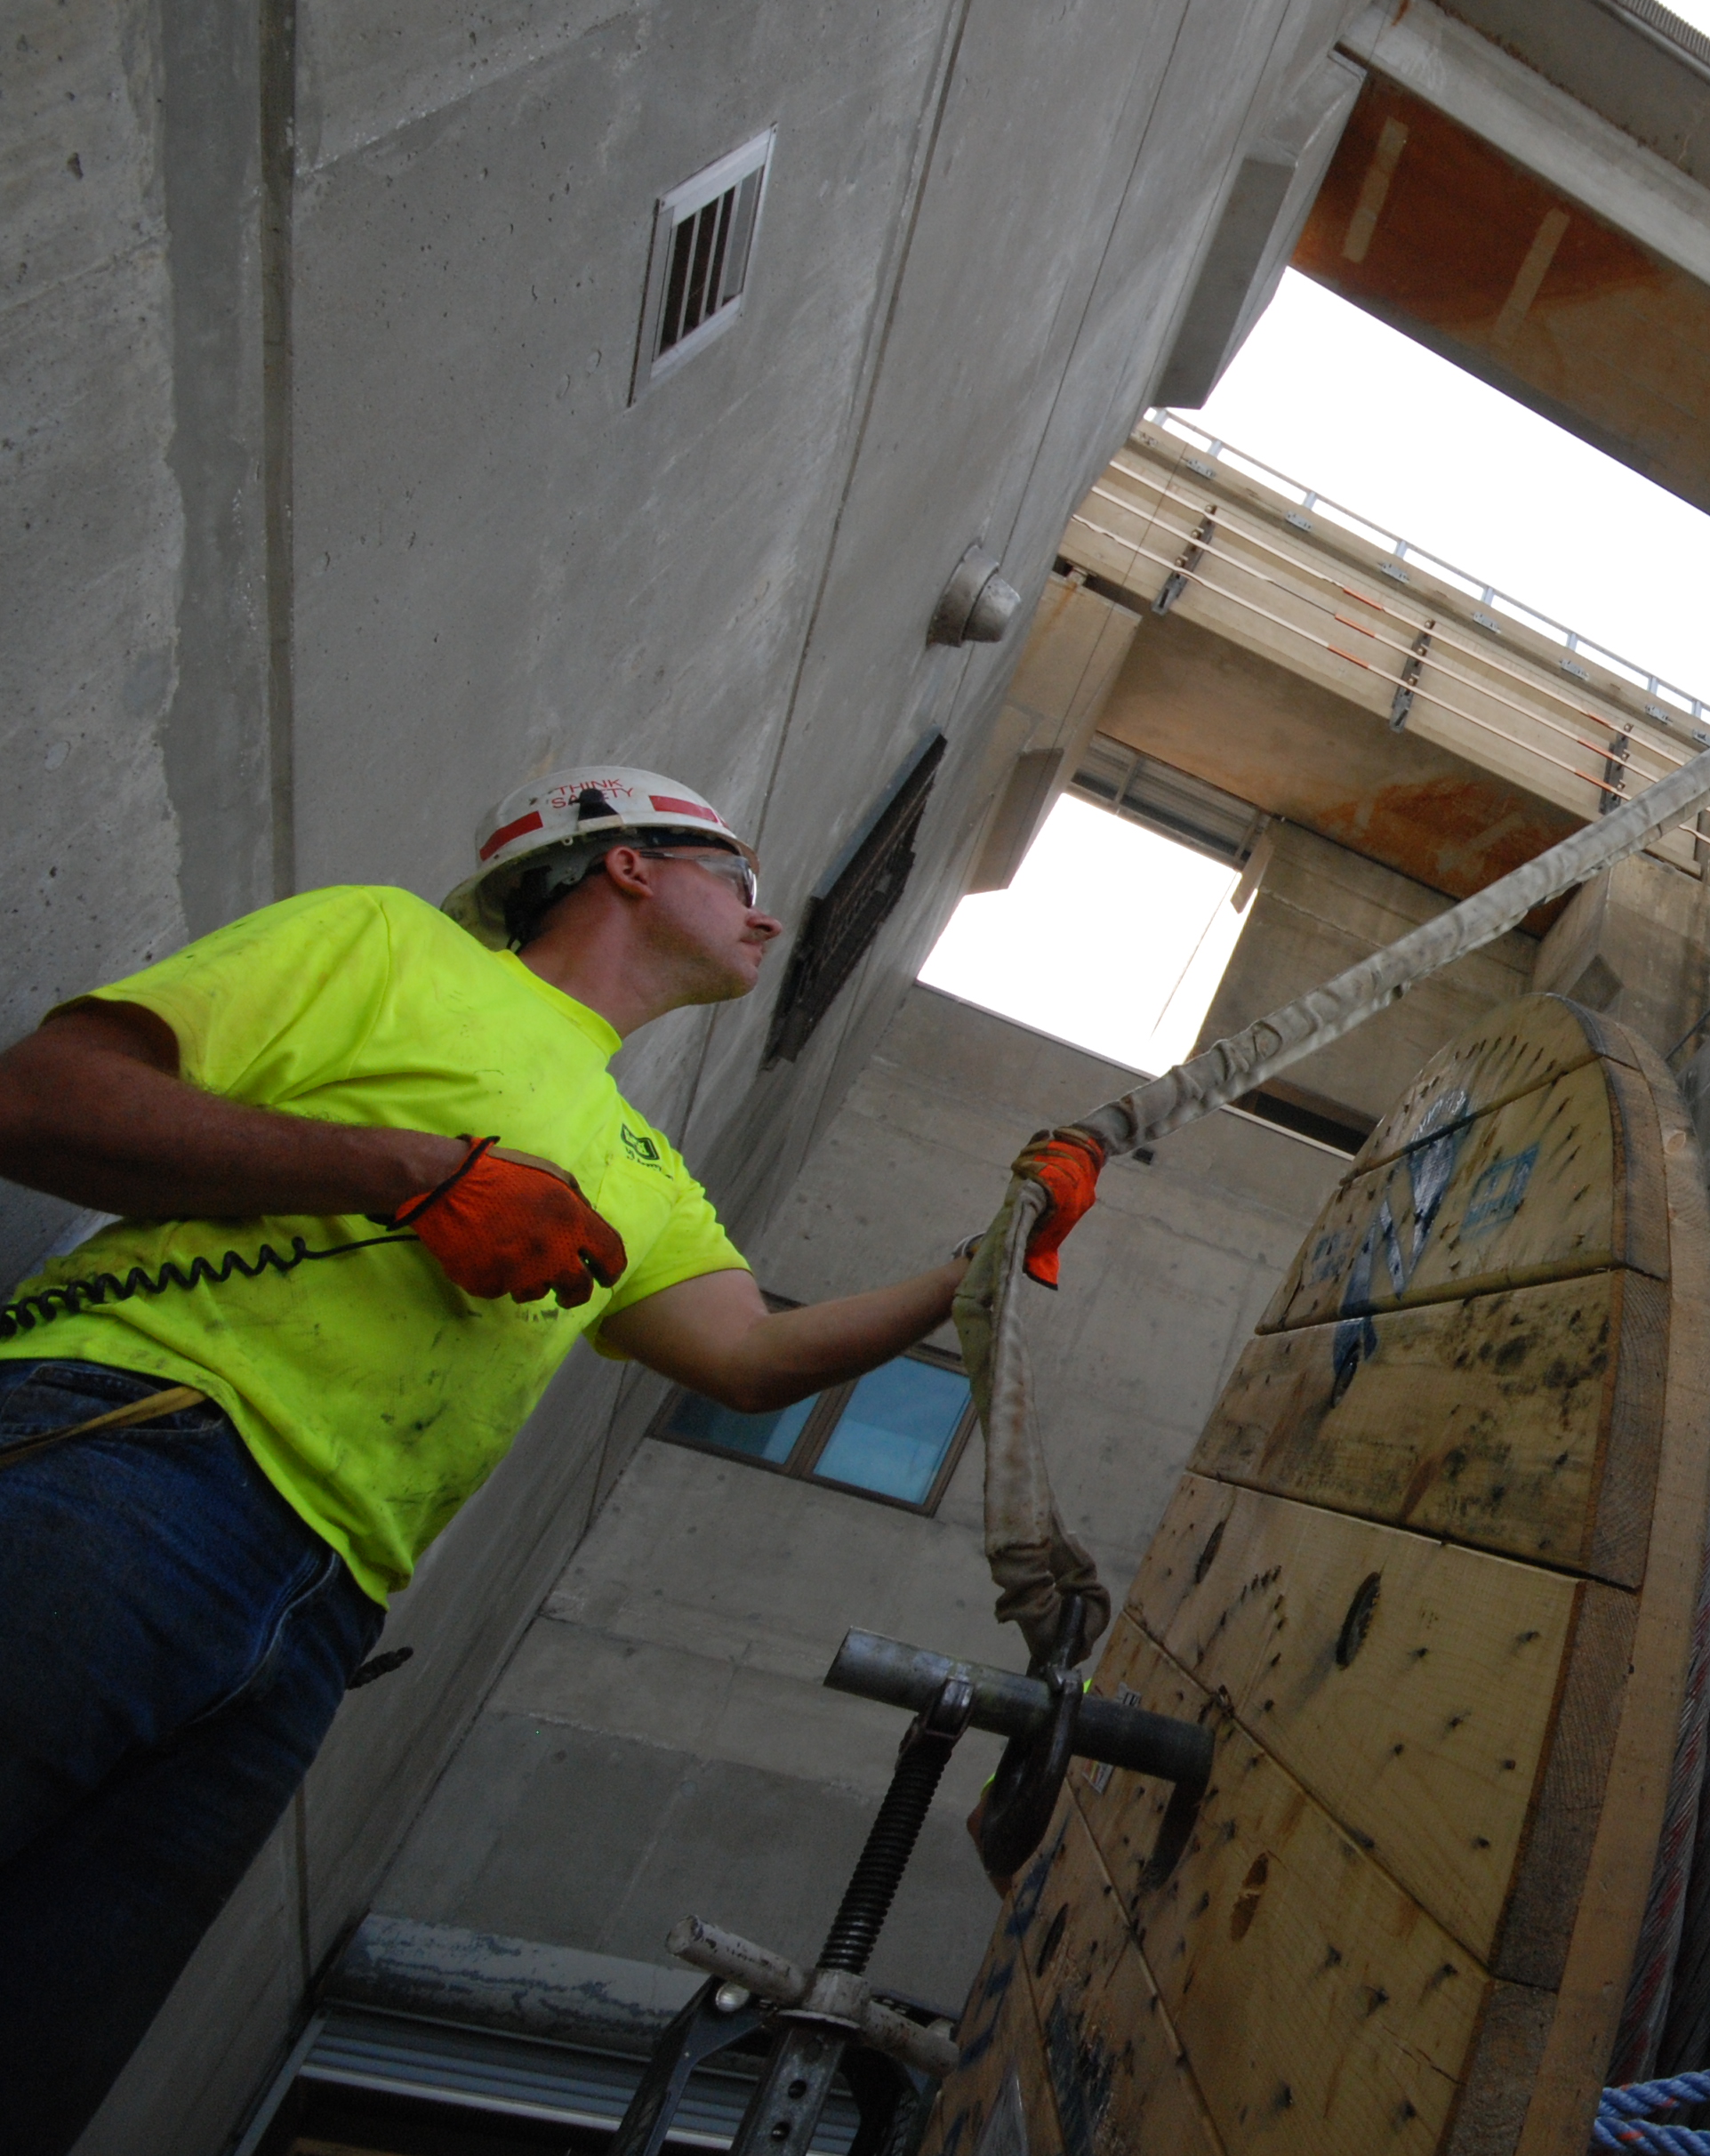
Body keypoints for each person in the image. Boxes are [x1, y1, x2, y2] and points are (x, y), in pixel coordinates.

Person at [0, 768, 1104, 2151]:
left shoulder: (644, 1166)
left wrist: (990, 1249)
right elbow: (42, 1098)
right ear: (627, 863)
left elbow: (754, 1358)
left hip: (318, 1625)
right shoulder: (389, 944)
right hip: (137, 1463)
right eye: (740, 883)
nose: (766, 922)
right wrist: (415, 1175)